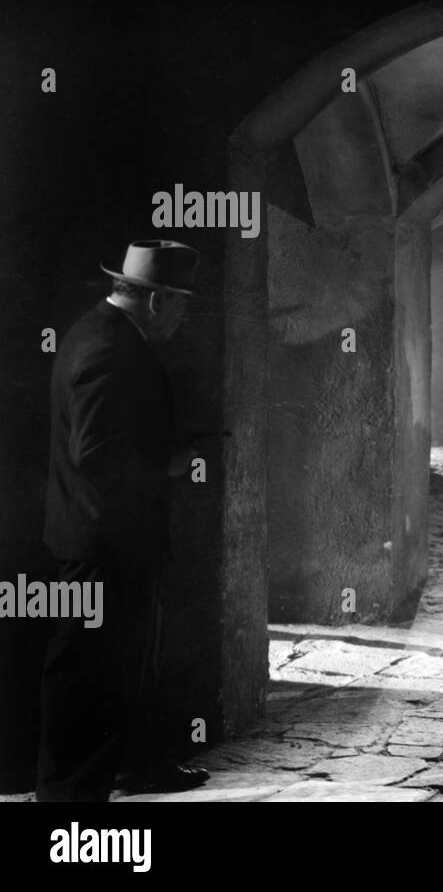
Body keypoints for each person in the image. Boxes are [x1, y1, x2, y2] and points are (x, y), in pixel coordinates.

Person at [37, 240, 209, 800]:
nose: (184, 316)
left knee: (122, 667)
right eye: (181, 303)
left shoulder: (106, 334)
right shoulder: (107, 348)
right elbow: (96, 453)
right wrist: (170, 463)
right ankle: (68, 802)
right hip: (102, 545)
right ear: (156, 300)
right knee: (88, 676)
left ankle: (134, 771)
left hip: (115, 541)